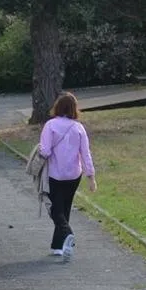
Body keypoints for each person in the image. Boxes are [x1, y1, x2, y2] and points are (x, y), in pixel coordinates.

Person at [38, 92, 96, 261]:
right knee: (65, 207)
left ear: (57, 106)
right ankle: (59, 246)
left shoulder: (50, 125)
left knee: (55, 208)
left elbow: (46, 151)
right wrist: (91, 177)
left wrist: (40, 150)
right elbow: (85, 154)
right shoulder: (79, 128)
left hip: (55, 174)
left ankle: (67, 233)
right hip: (73, 174)